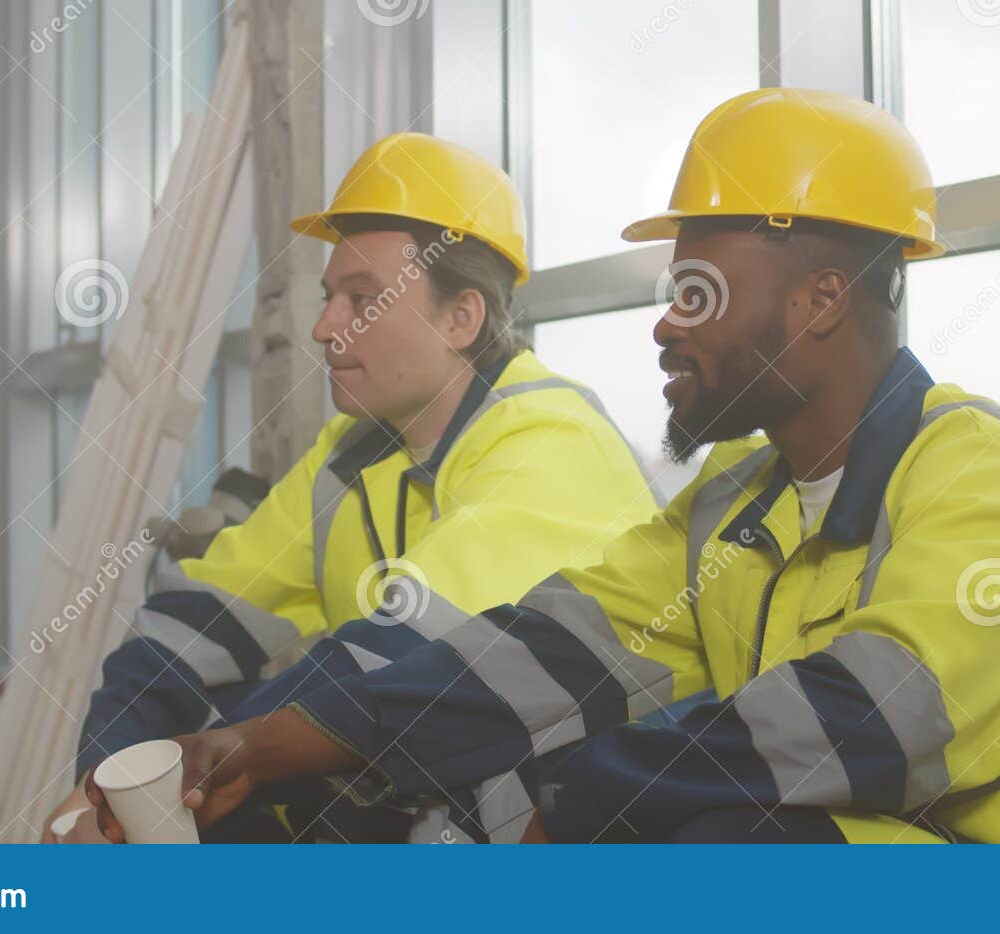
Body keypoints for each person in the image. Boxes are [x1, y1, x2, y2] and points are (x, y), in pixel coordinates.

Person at [89, 89, 1000, 844]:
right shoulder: (730, 510)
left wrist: (589, 795)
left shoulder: (987, 478)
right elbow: (538, 655)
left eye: (698, 291)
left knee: (705, 834)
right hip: (871, 854)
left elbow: (875, 715)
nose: (665, 325)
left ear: (820, 301)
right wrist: (266, 744)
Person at [41, 132, 661, 841]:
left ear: (460, 318)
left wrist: (203, 761)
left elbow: (397, 664)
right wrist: (109, 776)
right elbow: (192, 623)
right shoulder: (352, 453)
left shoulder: (553, 441)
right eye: (329, 296)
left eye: (362, 299)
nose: (323, 326)